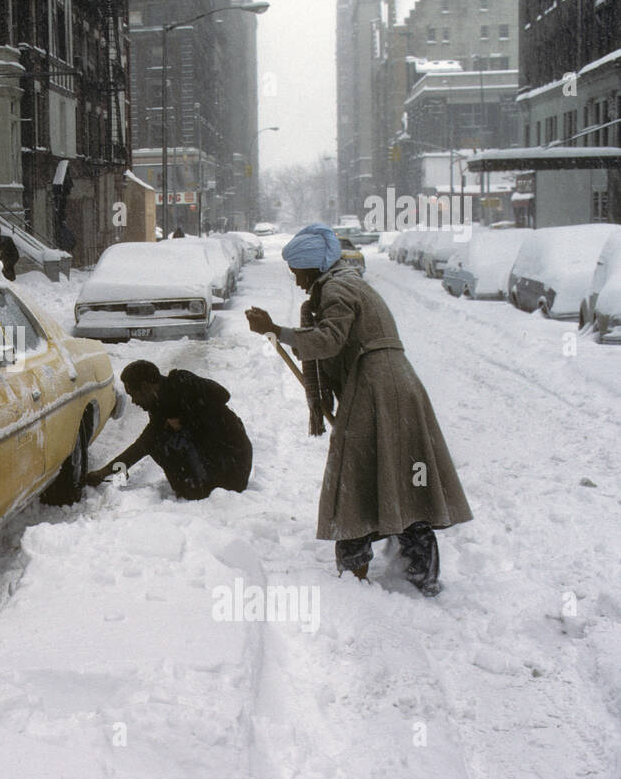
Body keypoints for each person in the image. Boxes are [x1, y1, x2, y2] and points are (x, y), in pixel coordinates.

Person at [244, 223, 472, 596]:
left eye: (298, 273)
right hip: (394, 387)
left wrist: (276, 330)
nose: (297, 282)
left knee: (352, 477)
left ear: (314, 267)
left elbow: (328, 340)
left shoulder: (338, 288)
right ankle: (419, 573)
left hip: (375, 387)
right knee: (404, 476)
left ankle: (354, 577)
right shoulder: (347, 284)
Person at [87, 360, 251, 500]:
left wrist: (186, 419)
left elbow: (223, 394)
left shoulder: (181, 382)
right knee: (155, 439)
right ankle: (194, 486)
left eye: (133, 395)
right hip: (224, 468)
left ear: (145, 387)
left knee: (162, 442)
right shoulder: (160, 406)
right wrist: (104, 473)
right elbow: (142, 445)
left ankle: (196, 489)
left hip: (232, 467)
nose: (134, 401)